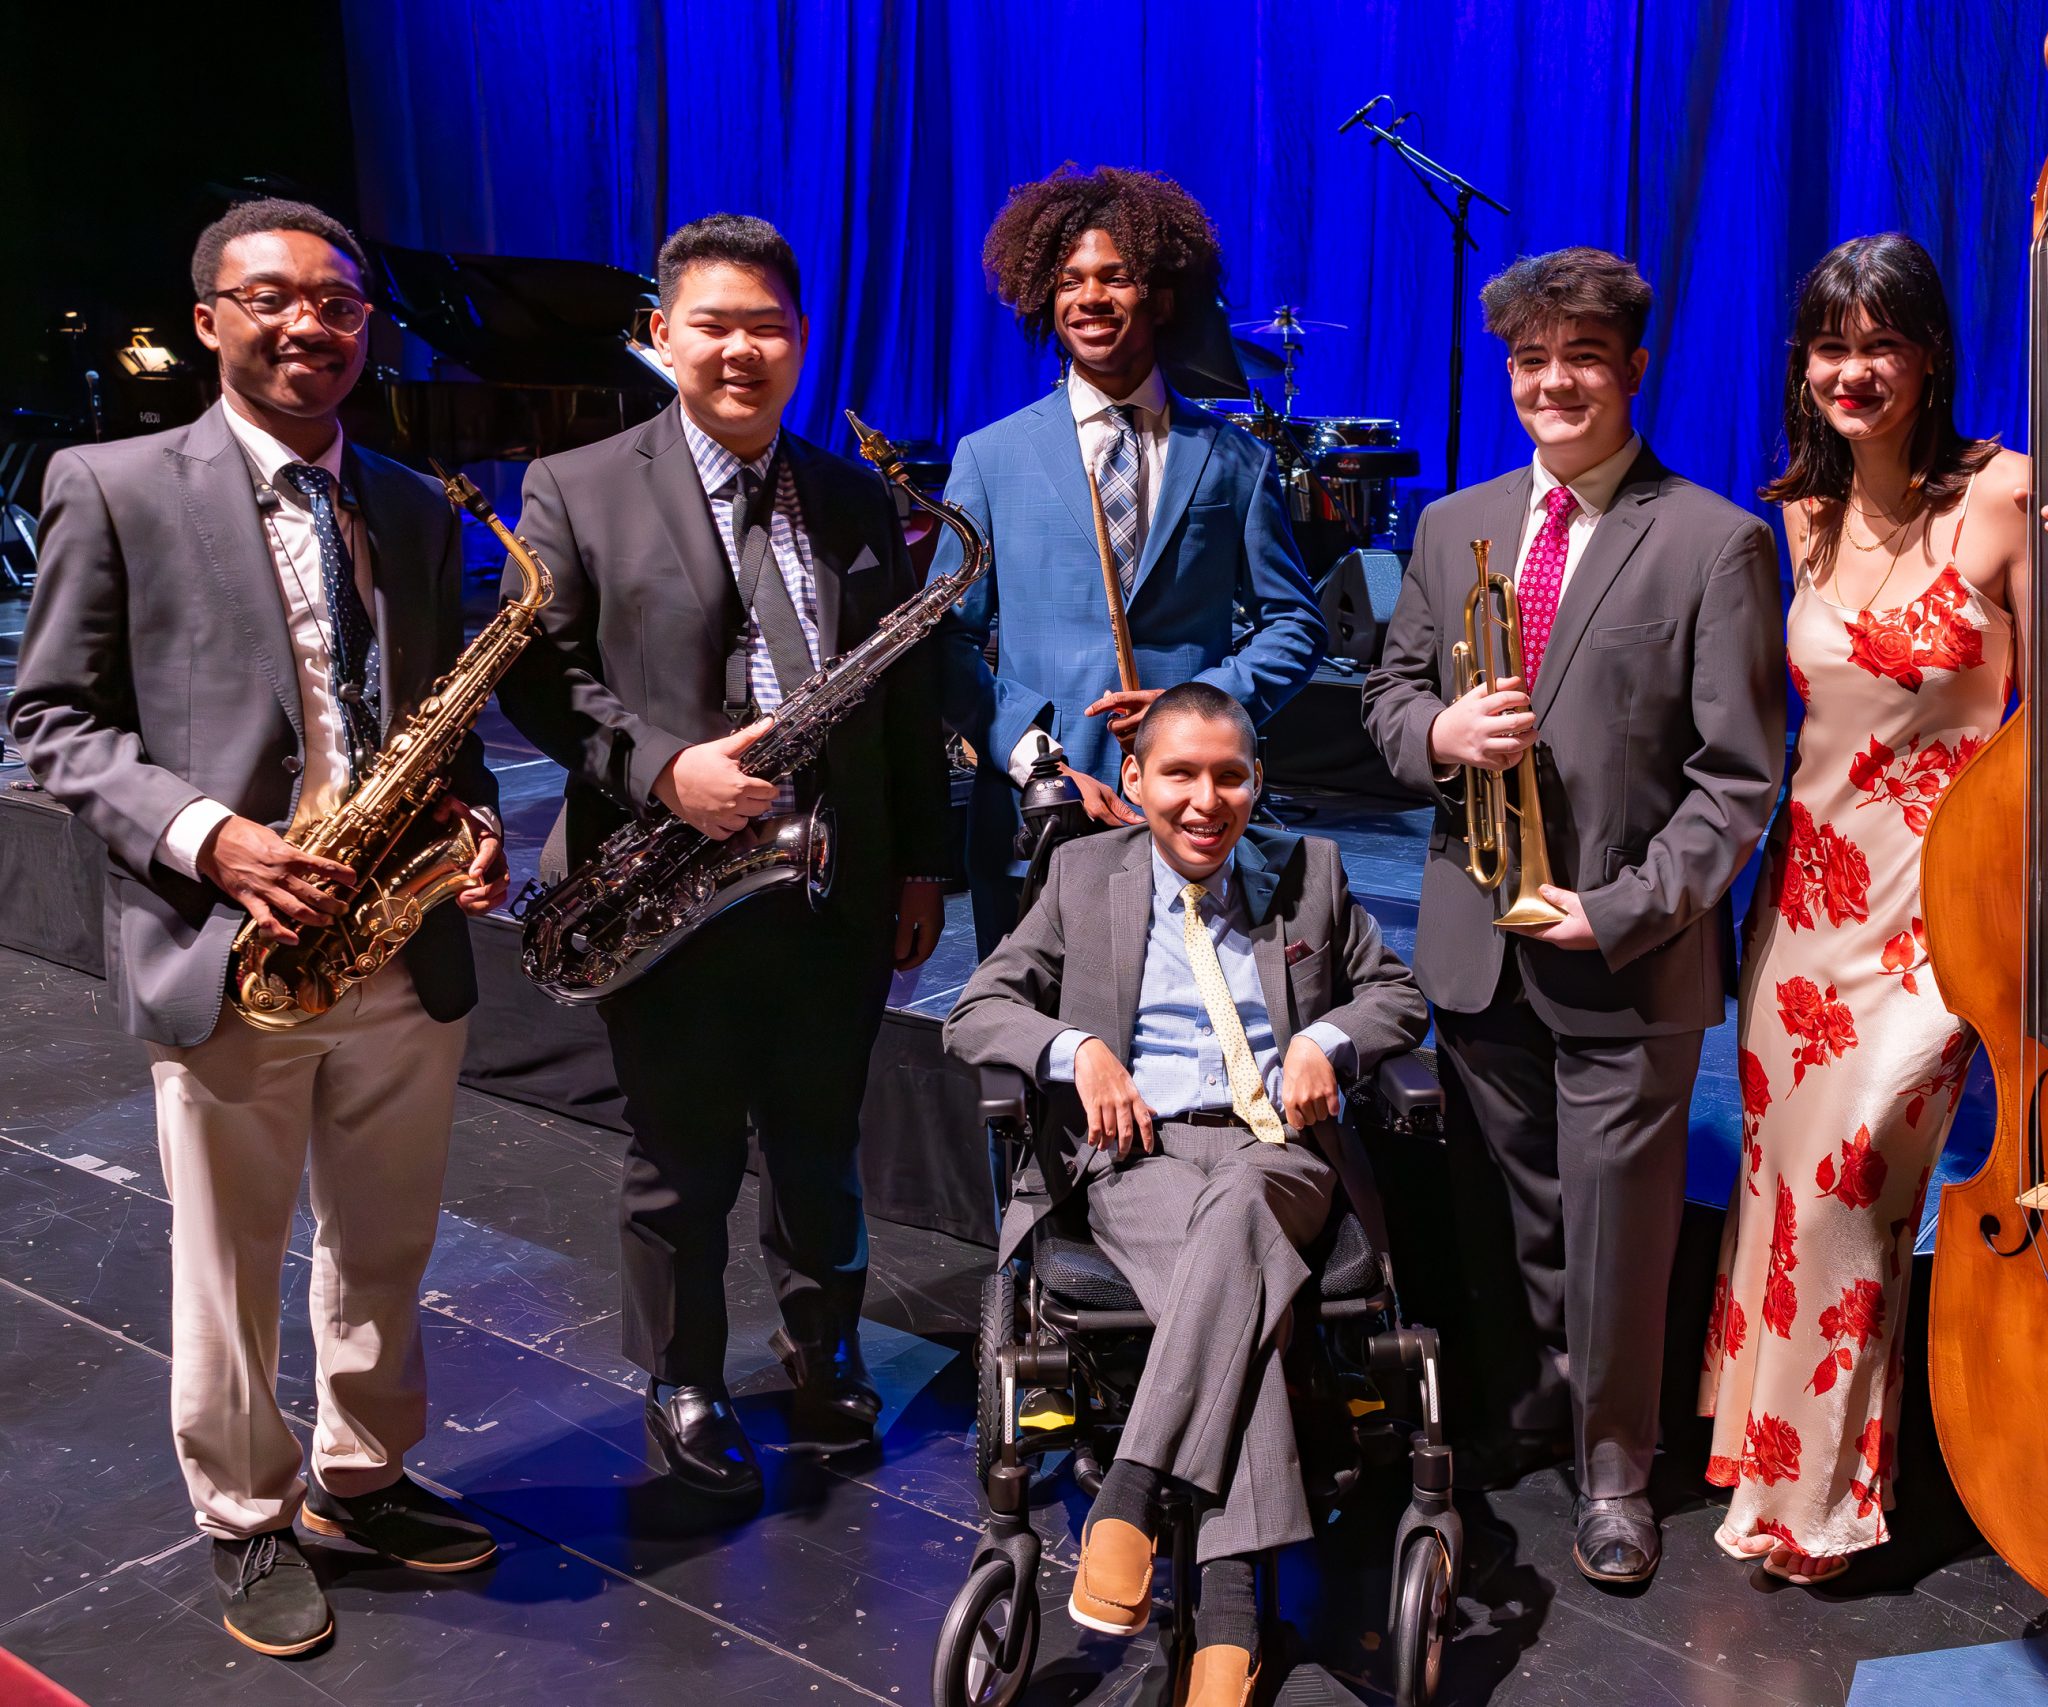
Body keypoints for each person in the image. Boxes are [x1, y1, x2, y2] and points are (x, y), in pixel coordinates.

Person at [7, 199, 508, 1656]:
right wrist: (210, 836)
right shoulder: (110, 481)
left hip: (396, 939)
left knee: (386, 1238)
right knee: (227, 1258)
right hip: (224, 942)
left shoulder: (413, 505)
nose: (312, 327)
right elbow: (53, 720)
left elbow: (441, 726)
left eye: (342, 306)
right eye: (273, 299)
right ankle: (244, 1508)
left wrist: (467, 825)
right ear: (211, 315)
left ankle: (362, 1473)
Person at [1697, 232, 2048, 1586]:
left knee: (1847, 1187)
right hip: (1803, 909)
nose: (1852, 369)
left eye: (1879, 343)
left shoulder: (2007, 493)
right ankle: (1764, 1454)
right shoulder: (1800, 512)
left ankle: (1818, 1500)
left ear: (1930, 353)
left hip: (1939, 911)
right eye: (1830, 345)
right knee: (1782, 1189)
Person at [498, 214, 947, 1500]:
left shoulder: (857, 493)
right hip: (662, 880)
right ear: (661, 338)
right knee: (679, 1153)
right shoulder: (575, 485)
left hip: (831, 885)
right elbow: (544, 680)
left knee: (819, 1143)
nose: (741, 348)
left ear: (799, 340)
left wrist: (919, 867)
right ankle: (684, 1374)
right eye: (713, 324)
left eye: (767, 325)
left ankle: (824, 1349)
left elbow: (902, 701)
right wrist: (662, 772)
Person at [1362, 248, 1786, 1585]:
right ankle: (1540, 1404)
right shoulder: (1450, 522)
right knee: (1516, 1211)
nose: (1554, 383)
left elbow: (1739, 778)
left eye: (1581, 359)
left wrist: (1620, 906)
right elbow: (1383, 696)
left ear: (1632, 370)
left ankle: (1617, 1461)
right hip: (1476, 946)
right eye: (1531, 361)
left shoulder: (1715, 541)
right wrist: (1435, 726)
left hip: (1622, 948)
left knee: (1620, 1219)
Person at [945, 683, 1428, 1704]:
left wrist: (1323, 1038)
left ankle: (1131, 1495)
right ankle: (1228, 1611)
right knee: (1238, 1292)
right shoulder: (1083, 875)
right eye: (1179, 775)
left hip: (1274, 1154)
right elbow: (980, 1007)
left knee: (1246, 1204)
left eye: (1229, 776)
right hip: (1141, 1159)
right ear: (1134, 779)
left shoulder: (1311, 874)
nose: (1205, 801)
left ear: (1255, 782)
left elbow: (1395, 993)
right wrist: (1074, 1052)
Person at [934, 164, 1326, 957]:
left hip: (1192, 813)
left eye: (1116, 277)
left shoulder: (1232, 460)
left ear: (1164, 296)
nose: (1091, 298)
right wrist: (1037, 760)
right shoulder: (989, 456)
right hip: (1035, 820)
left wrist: (1199, 706)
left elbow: (1294, 622)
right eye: (1071, 280)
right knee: (1041, 1053)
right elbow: (943, 642)